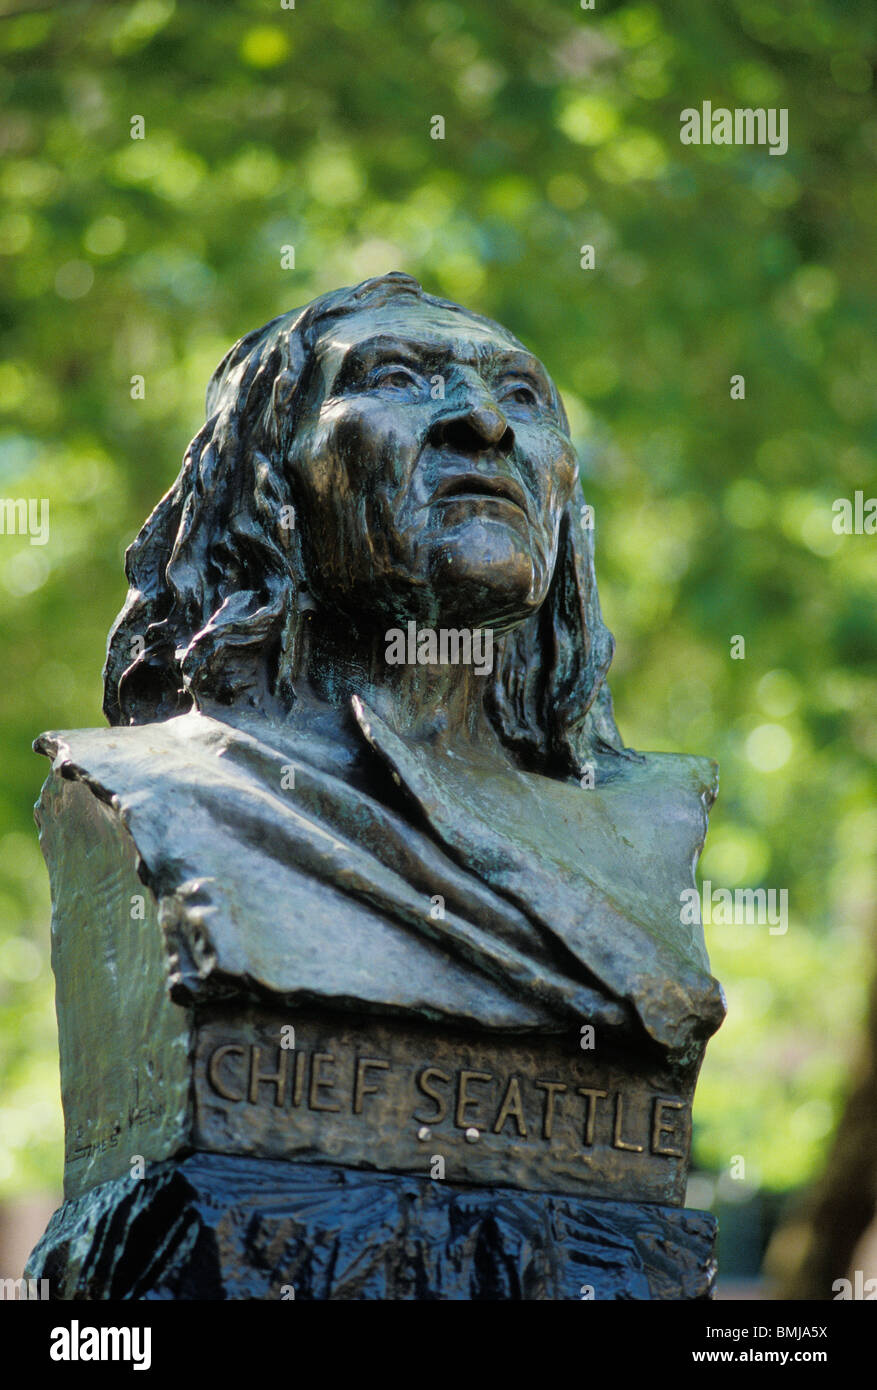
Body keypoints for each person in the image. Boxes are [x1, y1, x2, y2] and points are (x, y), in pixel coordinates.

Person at [37, 272, 724, 1063]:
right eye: (396, 379)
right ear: (265, 483)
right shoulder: (160, 791)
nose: (484, 421)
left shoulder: (649, 820)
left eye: (524, 396)